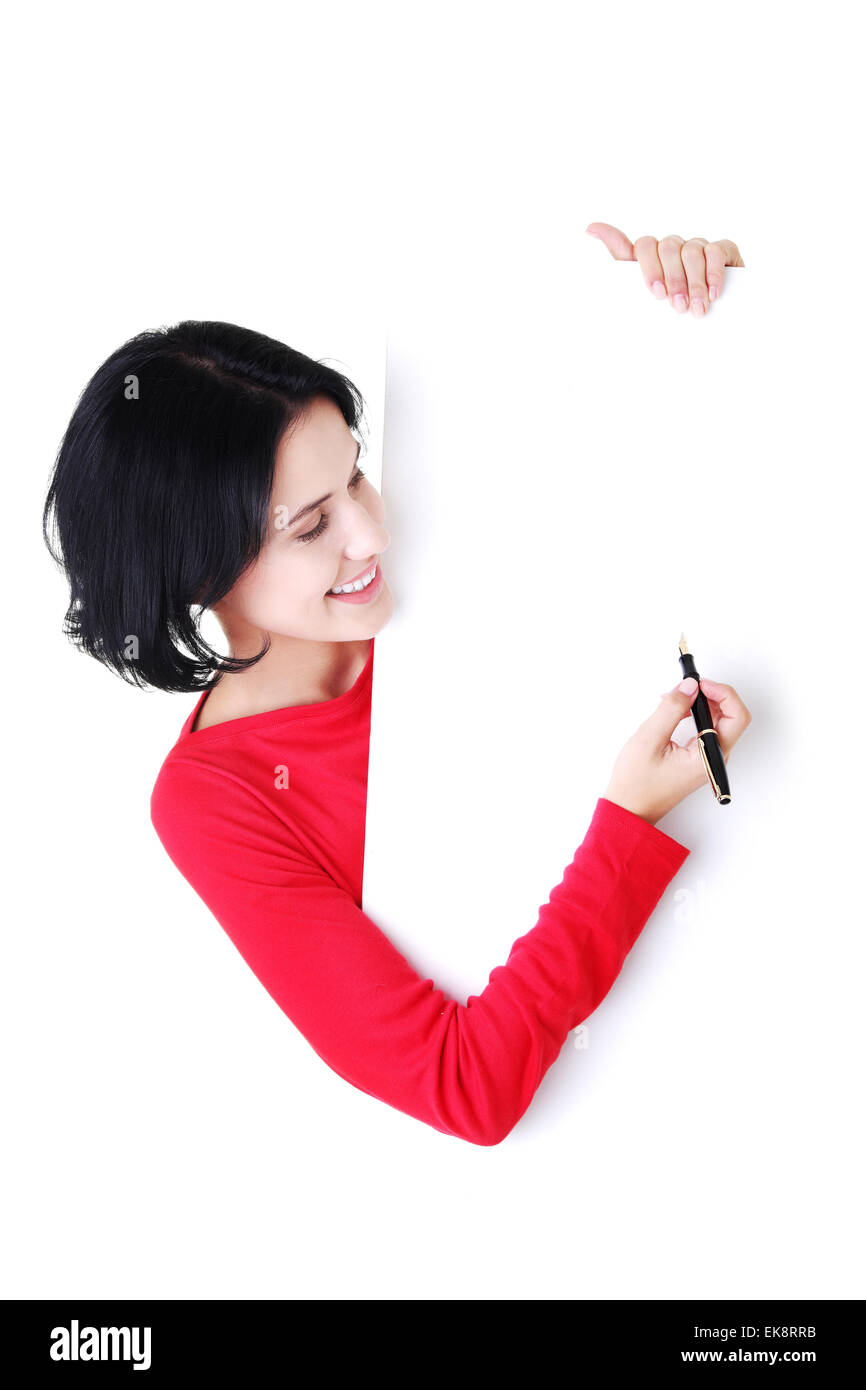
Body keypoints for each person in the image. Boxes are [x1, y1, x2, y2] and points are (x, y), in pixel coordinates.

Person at [42, 229, 751, 1146]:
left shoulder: (453, 516)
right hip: (643, 1122)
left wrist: (670, 312)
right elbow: (465, 1086)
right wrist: (630, 821)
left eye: (357, 476)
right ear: (198, 573)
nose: (372, 536)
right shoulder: (216, 801)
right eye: (311, 527)